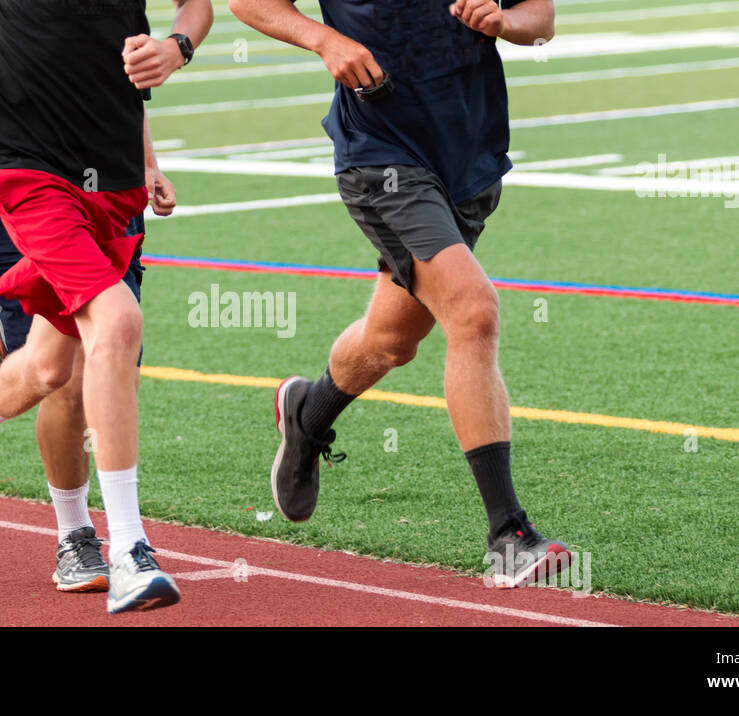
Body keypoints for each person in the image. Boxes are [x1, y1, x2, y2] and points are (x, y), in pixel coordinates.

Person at [230, 0, 574, 588]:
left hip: (470, 153)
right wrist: (324, 41)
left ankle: (306, 416)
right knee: (474, 312)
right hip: (381, 156)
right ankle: (508, 535)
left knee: (391, 342)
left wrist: (504, 22)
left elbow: (539, 17)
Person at [0, 0, 211, 614]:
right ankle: (123, 550)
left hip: (111, 180)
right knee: (114, 326)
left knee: (47, 366)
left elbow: (185, 12)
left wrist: (177, 48)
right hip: (23, 172)